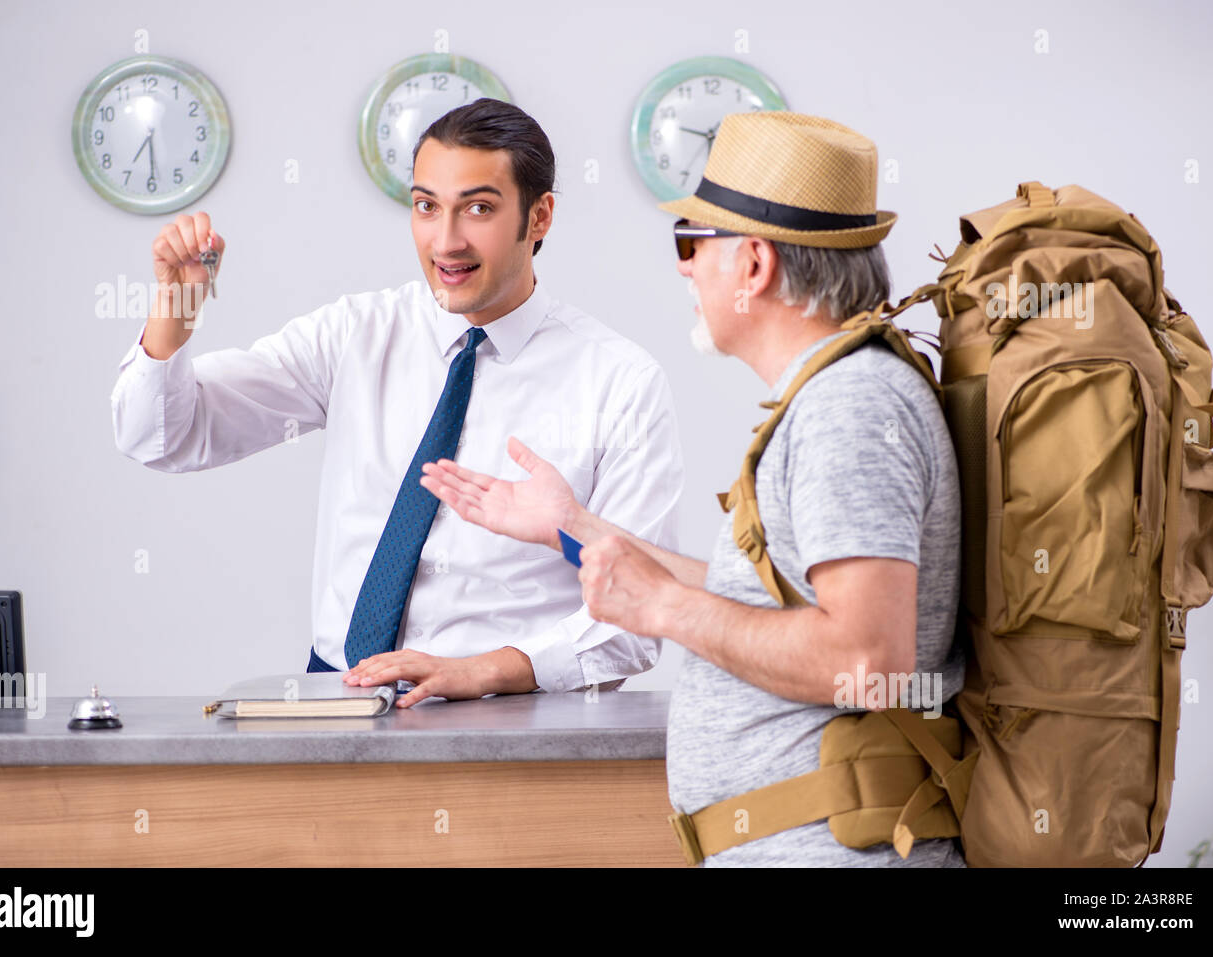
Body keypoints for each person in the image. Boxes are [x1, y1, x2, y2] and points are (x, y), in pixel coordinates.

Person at [419, 112, 965, 865]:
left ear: (754, 267)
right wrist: (573, 526)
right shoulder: (835, 393)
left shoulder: (852, 405)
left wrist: (666, 608)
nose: (682, 269)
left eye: (692, 243)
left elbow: (867, 660)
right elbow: (776, 606)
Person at [111, 98, 684, 708]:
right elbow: (161, 437)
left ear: (539, 217)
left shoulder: (619, 381)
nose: (447, 240)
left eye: (480, 209)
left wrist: (488, 670)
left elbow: (637, 614)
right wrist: (175, 309)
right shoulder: (354, 335)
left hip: (514, 715)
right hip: (338, 699)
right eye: (426, 206)